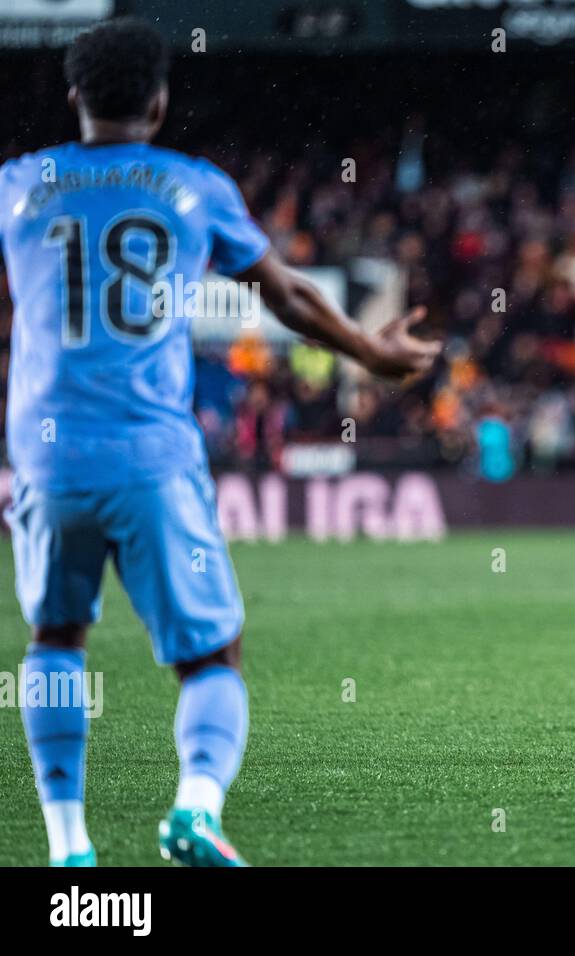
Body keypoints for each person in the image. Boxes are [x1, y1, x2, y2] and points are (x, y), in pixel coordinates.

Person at [1, 18, 439, 866]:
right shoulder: (194, 188)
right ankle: (195, 810)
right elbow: (290, 297)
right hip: (152, 457)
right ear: (160, 103)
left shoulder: (20, 184)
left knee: (56, 640)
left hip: (46, 460)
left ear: (73, 100)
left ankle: (68, 849)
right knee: (212, 656)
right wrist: (373, 351)